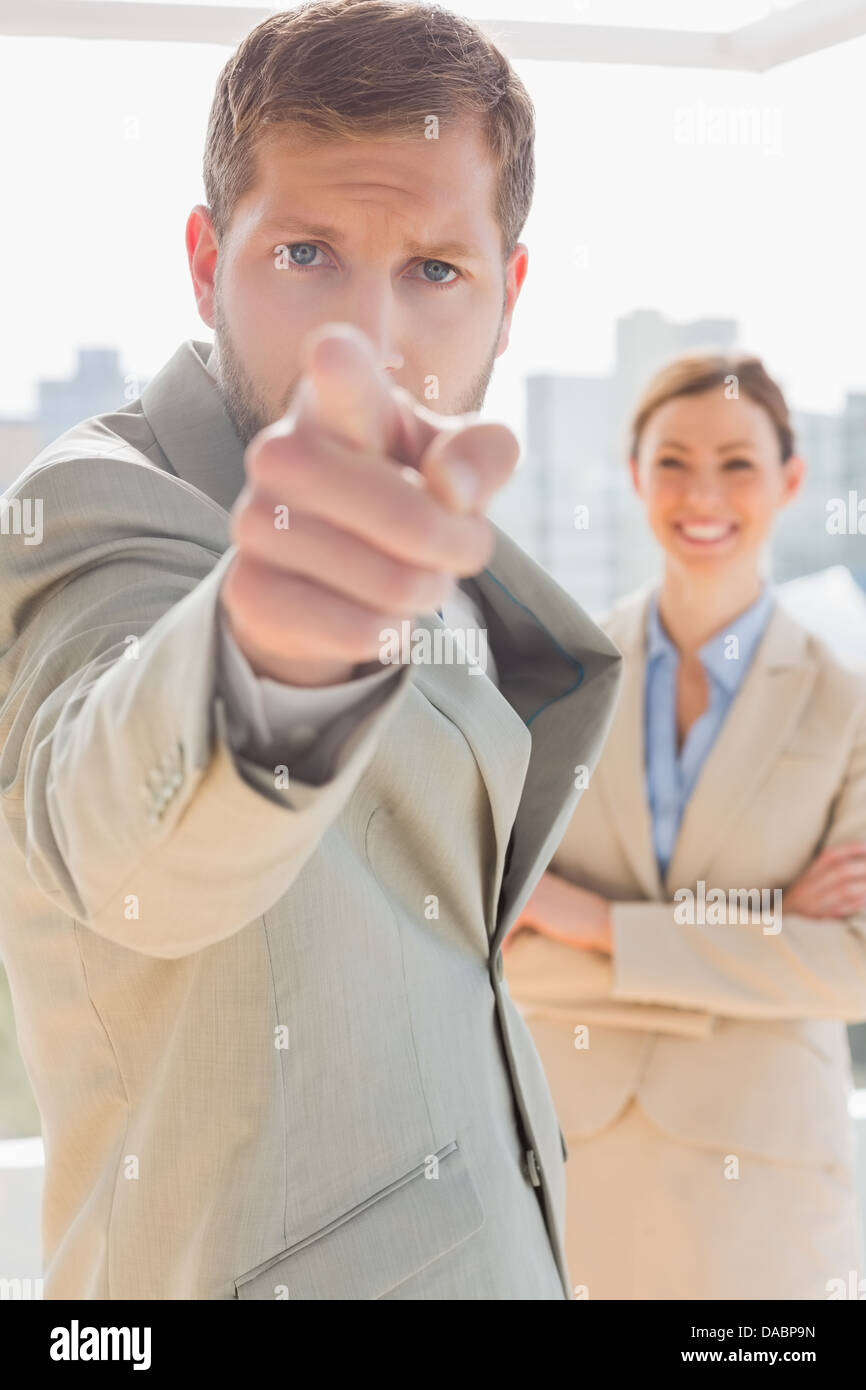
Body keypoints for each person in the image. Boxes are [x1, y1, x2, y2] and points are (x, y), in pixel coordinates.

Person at [0, 1, 622, 1300]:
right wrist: (270, 655)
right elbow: (124, 837)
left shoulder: (444, 543)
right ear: (203, 257)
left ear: (508, 294)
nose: (369, 340)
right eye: (304, 253)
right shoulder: (99, 507)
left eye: (434, 272)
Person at [504, 352, 866, 1300]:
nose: (702, 492)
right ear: (634, 475)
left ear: (790, 479)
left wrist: (593, 923)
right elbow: (494, 944)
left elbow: (854, 964)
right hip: (563, 1177)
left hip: (768, 1209)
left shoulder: (848, 706)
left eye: (738, 462)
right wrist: (763, 933)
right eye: (673, 461)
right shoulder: (557, 682)